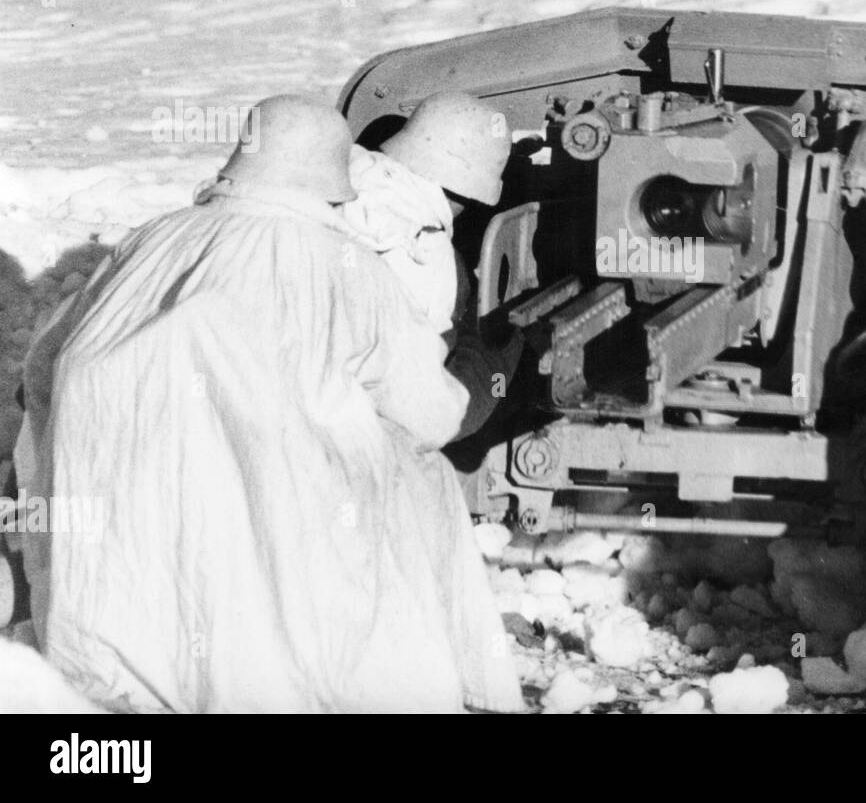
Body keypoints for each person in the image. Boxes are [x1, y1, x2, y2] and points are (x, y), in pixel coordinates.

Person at [20, 94, 523, 712]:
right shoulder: (343, 266)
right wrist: (489, 363)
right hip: (272, 537)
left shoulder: (149, 240)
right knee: (419, 479)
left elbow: (45, 365)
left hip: (112, 561)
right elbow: (434, 415)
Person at [344, 92, 522, 441]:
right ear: (474, 191)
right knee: (498, 355)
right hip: (363, 425)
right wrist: (508, 343)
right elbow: (426, 408)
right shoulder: (430, 251)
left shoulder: (342, 175)